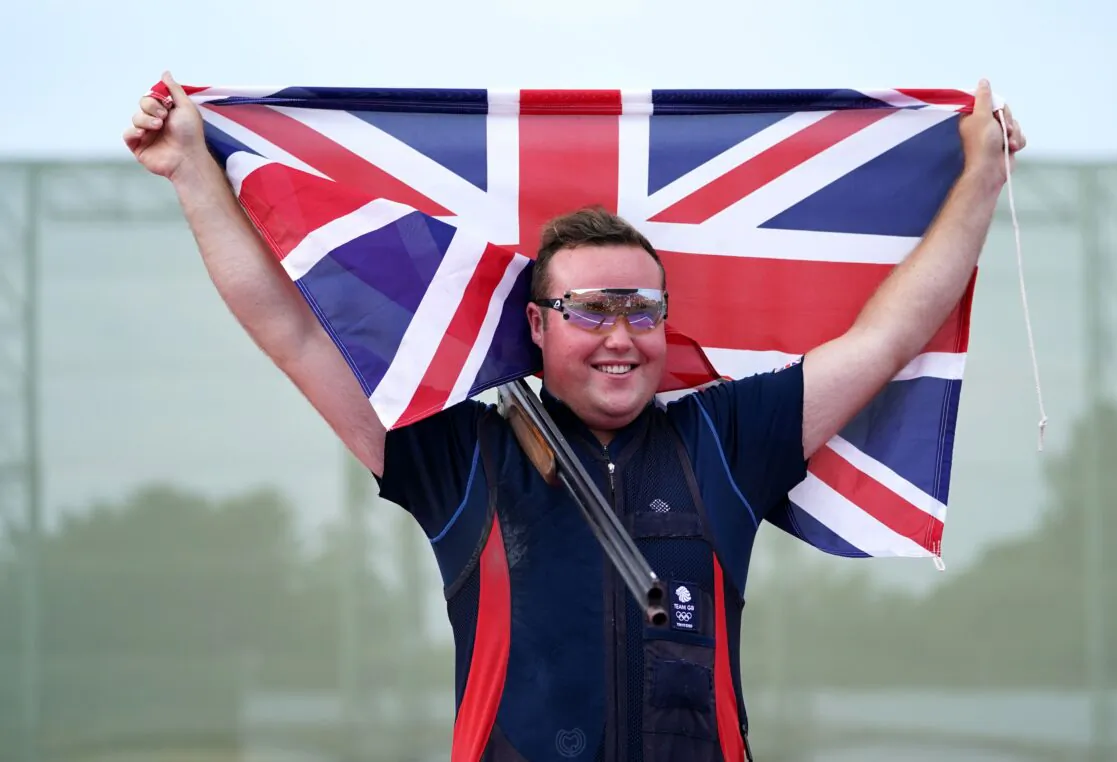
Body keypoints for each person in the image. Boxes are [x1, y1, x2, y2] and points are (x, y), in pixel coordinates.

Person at [124, 72, 1025, 762]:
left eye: (640, 309)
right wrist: (194, 172)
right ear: (537, 327)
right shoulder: (460, 456)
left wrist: (982, 175)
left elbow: (889, 333)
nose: (619, 336)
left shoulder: (729, 439)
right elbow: (290, 330)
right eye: (589, 311)